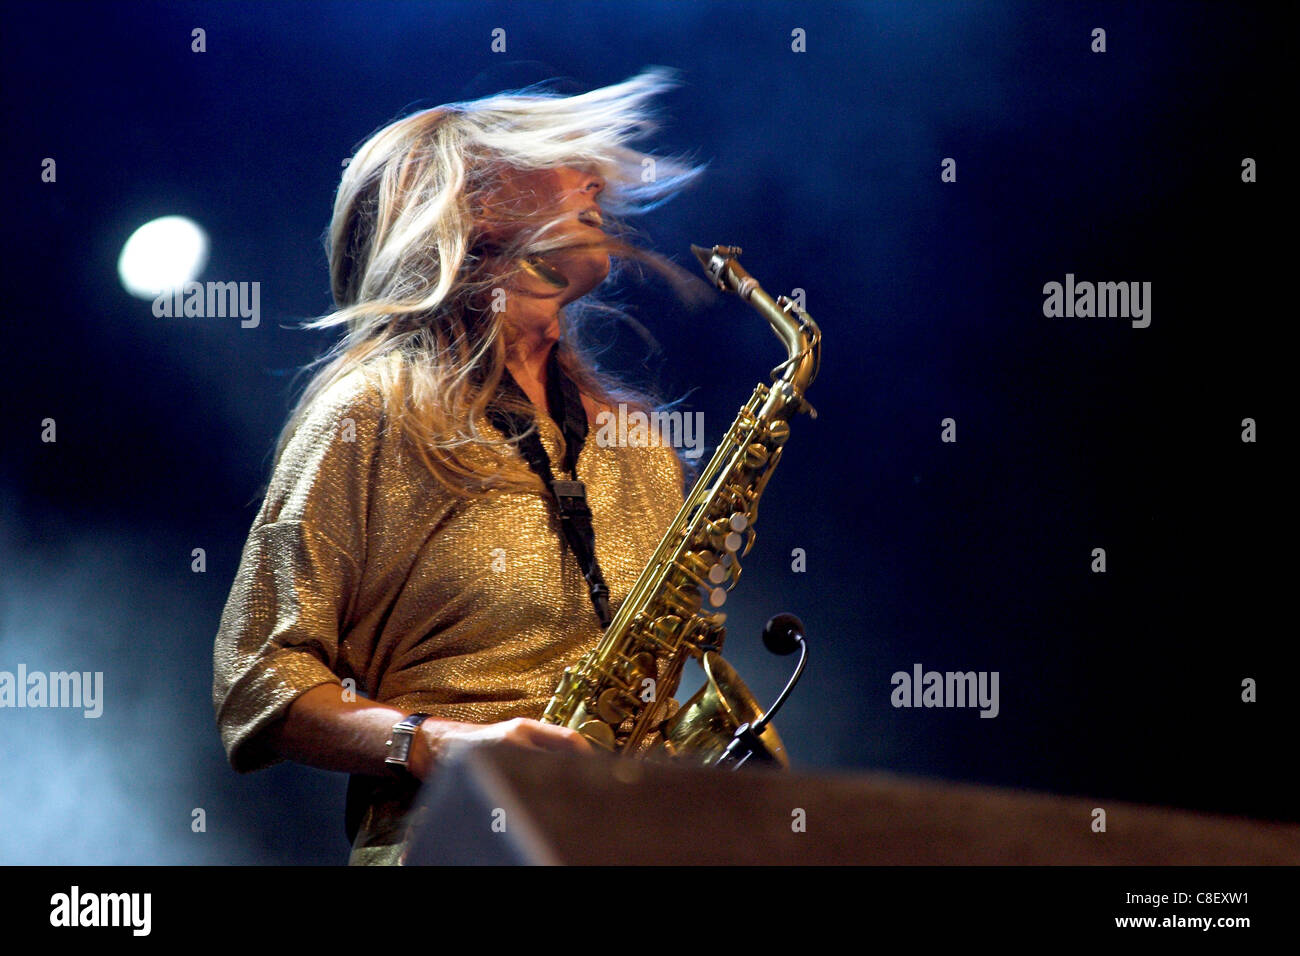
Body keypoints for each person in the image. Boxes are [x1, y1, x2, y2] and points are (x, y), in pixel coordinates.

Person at [211, 69, 705, 864]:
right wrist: (436, 745)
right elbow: (257, 679)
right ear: (471, 203)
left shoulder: (637, 444)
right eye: (550, 159)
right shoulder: (369, 414)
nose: (592, 179)